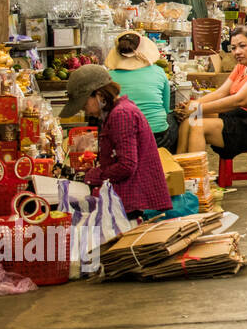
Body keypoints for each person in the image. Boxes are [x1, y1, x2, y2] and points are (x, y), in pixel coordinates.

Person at [61, 65, 171, 219]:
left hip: (133, 203)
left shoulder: (122, 114)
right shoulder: (115, 112)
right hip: (126, 199)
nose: (85, 110)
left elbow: (126, 165)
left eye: (84, 104)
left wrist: (96, 175)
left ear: (99, 96)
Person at [177, 25, 247, 167]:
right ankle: (179, 173)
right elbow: (221, 93)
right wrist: (192, 105)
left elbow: (239, 99)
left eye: (242, 46)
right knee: (190, 119)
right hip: (242, 116)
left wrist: (197, 108)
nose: (237, 52)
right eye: (234, 48)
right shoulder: (243, 65)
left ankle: (196, 180)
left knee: (198, 126)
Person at [106, 32, 175, 152]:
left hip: (122, 139)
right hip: (157, 137)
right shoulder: (159, 71)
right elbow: (165, 108)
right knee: (173, 120)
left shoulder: (109, 77)